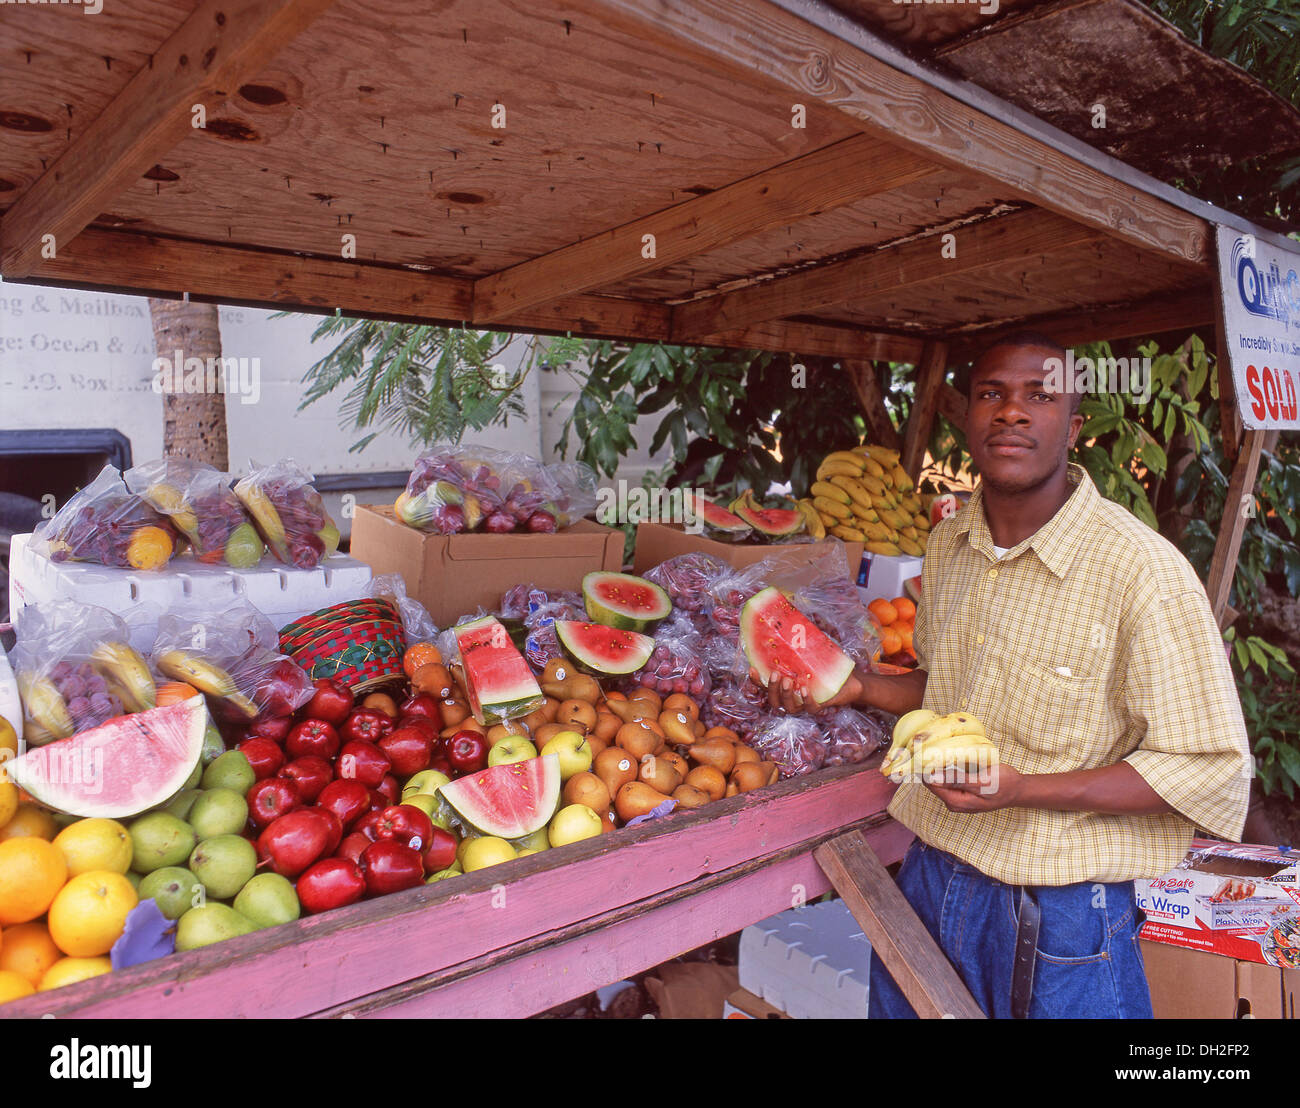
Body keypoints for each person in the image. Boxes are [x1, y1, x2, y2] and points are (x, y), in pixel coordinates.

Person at [759, 331, 1252, 1018]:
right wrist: (863, 687)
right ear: (966, 417)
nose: (1012, 412)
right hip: (930, 877)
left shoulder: (1142, 572)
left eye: (1039, 396)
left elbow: (1206, 769)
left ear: (1073, 427)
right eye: (992, 393)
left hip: (1062, 917)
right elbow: (950, 690)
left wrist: (1025, 789)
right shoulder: (951, 543)